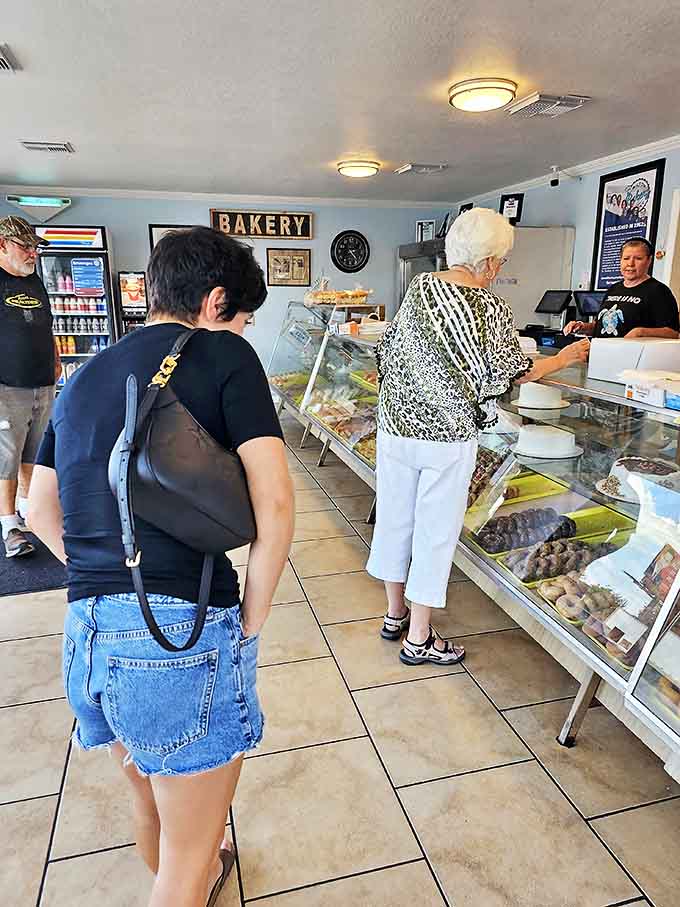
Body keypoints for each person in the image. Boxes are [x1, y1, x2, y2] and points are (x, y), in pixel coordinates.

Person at [28, 227, 295, 907]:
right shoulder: (224, 357)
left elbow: (37, 509)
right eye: (240, 316)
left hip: (86, 639)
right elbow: (276, 503)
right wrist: (249, 624)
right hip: (176, 637)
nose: (240, 330)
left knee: (152, 813)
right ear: (213, 302)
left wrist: (108, 573)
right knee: (187, 857)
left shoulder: (85, 371)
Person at [366, 208, 590, 666]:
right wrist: (564, 359)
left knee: (394, 519)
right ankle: (420, 638)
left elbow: (388, 350)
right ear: (488, 261)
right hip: (445, 437)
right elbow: (512, 373)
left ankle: (395, 616)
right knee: (433, 533)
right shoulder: (489, 306)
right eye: (501, 262)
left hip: (395, 428)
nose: (499, 271)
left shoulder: (420, 287)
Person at [0, 215, 61, 558]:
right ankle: (9, 525)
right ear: (2, 245)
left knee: (35, 452)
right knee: (5, 455)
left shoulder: (34, 280)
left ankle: (28, 509)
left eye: (35, 247)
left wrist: (54, 357)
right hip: (5, 384)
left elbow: (46, 324)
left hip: (42, 381)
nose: (32, 254)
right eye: (25, 246)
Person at [564, 237, 679, 339]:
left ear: (649, 260)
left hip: (632, 358)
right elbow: (598, 327)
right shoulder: (614, 288)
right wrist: (581, 327)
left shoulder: (658, 291)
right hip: (601, 354)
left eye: (638, 258)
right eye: (626, 258)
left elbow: (673, 333)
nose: (630, 263)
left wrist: (641, 332)